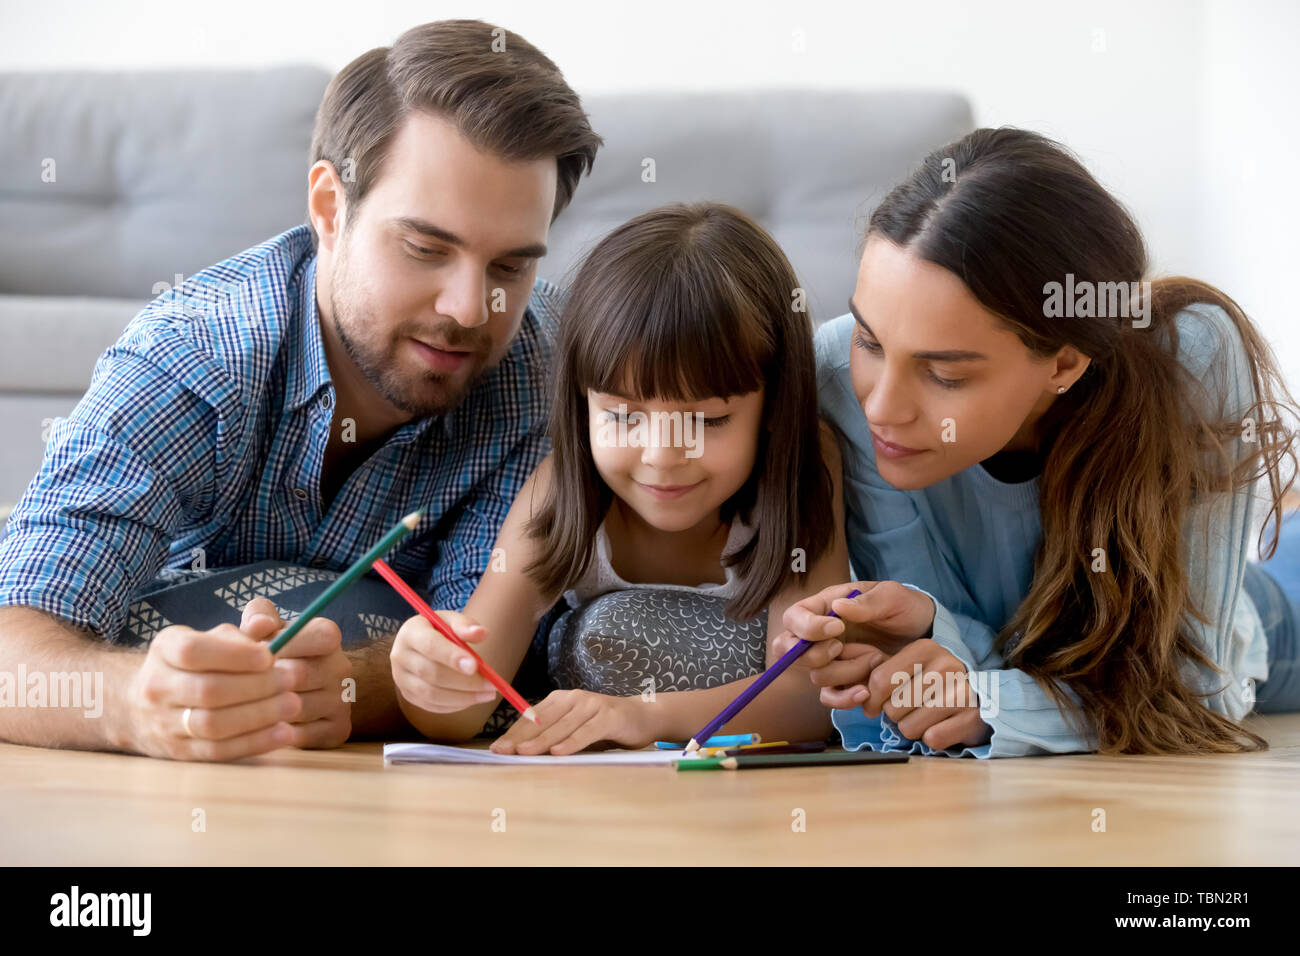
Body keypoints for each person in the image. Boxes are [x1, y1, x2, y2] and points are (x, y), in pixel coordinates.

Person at [0, 19, 601, 761]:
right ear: (329, 208)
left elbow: (478, 645)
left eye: (510, 268)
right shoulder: (195, 358)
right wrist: (133, 704)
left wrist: (350, 687)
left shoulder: (547, 379)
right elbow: (13, 647)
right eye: (425, 249)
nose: (469, 310)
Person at [780, 127, 1300, 757]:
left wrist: (990, 701)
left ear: (1063, 365)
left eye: (945, 374)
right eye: (870, 341)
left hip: (1273, 623)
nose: (881, 408)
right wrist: (920, 633)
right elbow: (961, 661)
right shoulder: (835, 377)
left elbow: (1194, 692)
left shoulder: (1192, 357)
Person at [389, 203, 850, 753]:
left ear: (775, 406)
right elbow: (467, 707)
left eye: (706, 420)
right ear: (583, 402)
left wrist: (645, 716)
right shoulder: (560, 494)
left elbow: (807, 697)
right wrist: (428, 677)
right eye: (624, 416)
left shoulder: (803, 471)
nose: (662, 456)